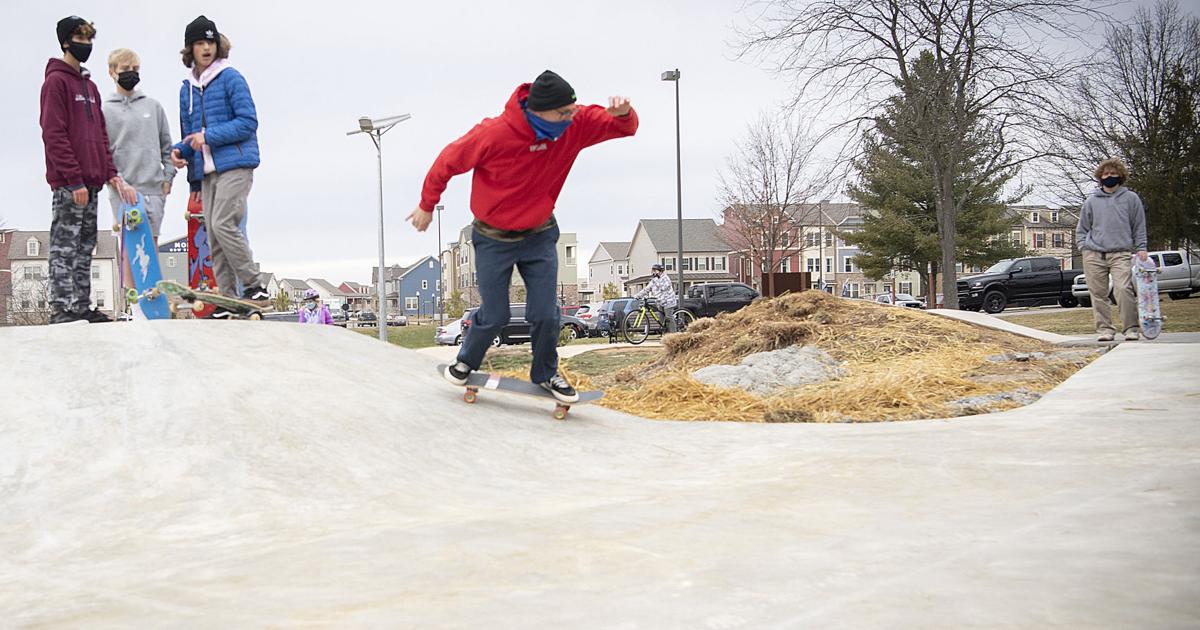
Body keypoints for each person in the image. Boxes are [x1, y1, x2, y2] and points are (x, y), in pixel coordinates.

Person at [408, 70, 638, 403]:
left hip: (540, 234)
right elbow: (447, 161)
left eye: (571, 111)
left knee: (546, 313)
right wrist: (427, 205)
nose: (570, 117)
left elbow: (625, 128)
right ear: (538, 110)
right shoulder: (494, 133)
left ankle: (545, 374)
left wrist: (623, 114)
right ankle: (465, 361)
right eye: (562, 114)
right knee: (496, 314)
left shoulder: (576, 122)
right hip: (492, 239)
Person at [40, 15, 137, 324]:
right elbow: (53, 133)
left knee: (85, 248)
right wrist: (73, 179)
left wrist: (109, 172)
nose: (87, 45)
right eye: (81, 39)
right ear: (66, 41)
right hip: (71, 184)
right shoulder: (56, 82)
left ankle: (81, 304)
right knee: (65, 247)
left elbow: (100, 136)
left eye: (90, 39)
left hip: (93, 182)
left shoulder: (91, 87)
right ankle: (62, 308)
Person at [170, 15, 269, 310]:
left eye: (210, 42)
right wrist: (180, 151)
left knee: (223, 223)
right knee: (212, 233)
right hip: (207, 172)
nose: (206, 48)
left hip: (237, 163)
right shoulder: (187, 89)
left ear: (218, 45)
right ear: (190, 49)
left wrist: (209, 136)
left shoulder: (230, 77)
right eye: (200, 43)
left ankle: (254, 285)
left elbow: (248, 122)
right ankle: (227, 298)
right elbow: (191, 135)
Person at [102, 47, 176, 317]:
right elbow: (103, 152)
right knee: (129, 245)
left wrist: (167, 177)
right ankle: (135, 305)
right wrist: (118, 183)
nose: (130, 75)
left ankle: (153, 301)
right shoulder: (105, 110)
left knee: (151, 244)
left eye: (135, 70)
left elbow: (167, 145)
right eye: (124, 71)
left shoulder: (152, 106)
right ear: (112, 72)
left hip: (152, 185)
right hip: (122, 189)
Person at [1076, 158, 1148, 342]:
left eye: (1113, 173)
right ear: (1100, 177)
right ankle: (1105, 330)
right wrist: (1083, 247)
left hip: (1120, 253)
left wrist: (1141, 248)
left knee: (1123, 289)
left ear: (1120, 176)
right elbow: (1082, 228)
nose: (1109, 176)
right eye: (1105, 174)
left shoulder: (1131, 198)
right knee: (1098, 294)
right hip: (1093, 253)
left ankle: (1131, 328)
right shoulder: (1091, 201)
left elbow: (1139, 226)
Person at [633, 263, 679, 332]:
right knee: (661, 320)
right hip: (660, 302)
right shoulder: (654, 280)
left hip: (669, 301)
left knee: (668, 317)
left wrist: (655, 281)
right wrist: (638, 295)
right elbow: (647, 289)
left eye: (655, 270)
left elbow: (663, 288)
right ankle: (665, 334)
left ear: (660, 271)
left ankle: (674, 334)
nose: (653, 272)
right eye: (653, 270)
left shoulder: (665, 278)